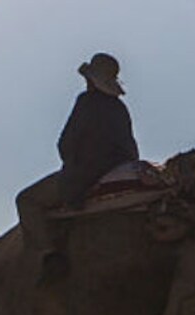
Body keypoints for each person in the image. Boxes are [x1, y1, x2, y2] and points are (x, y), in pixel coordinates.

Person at [17, 52, 140, 281]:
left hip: (84, 175)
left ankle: (49, 255)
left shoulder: (86, 101)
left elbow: (66, 144)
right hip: (118, 170)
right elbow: (130, 149)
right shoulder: (119, 109)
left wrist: (73, 163)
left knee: (26, 200)